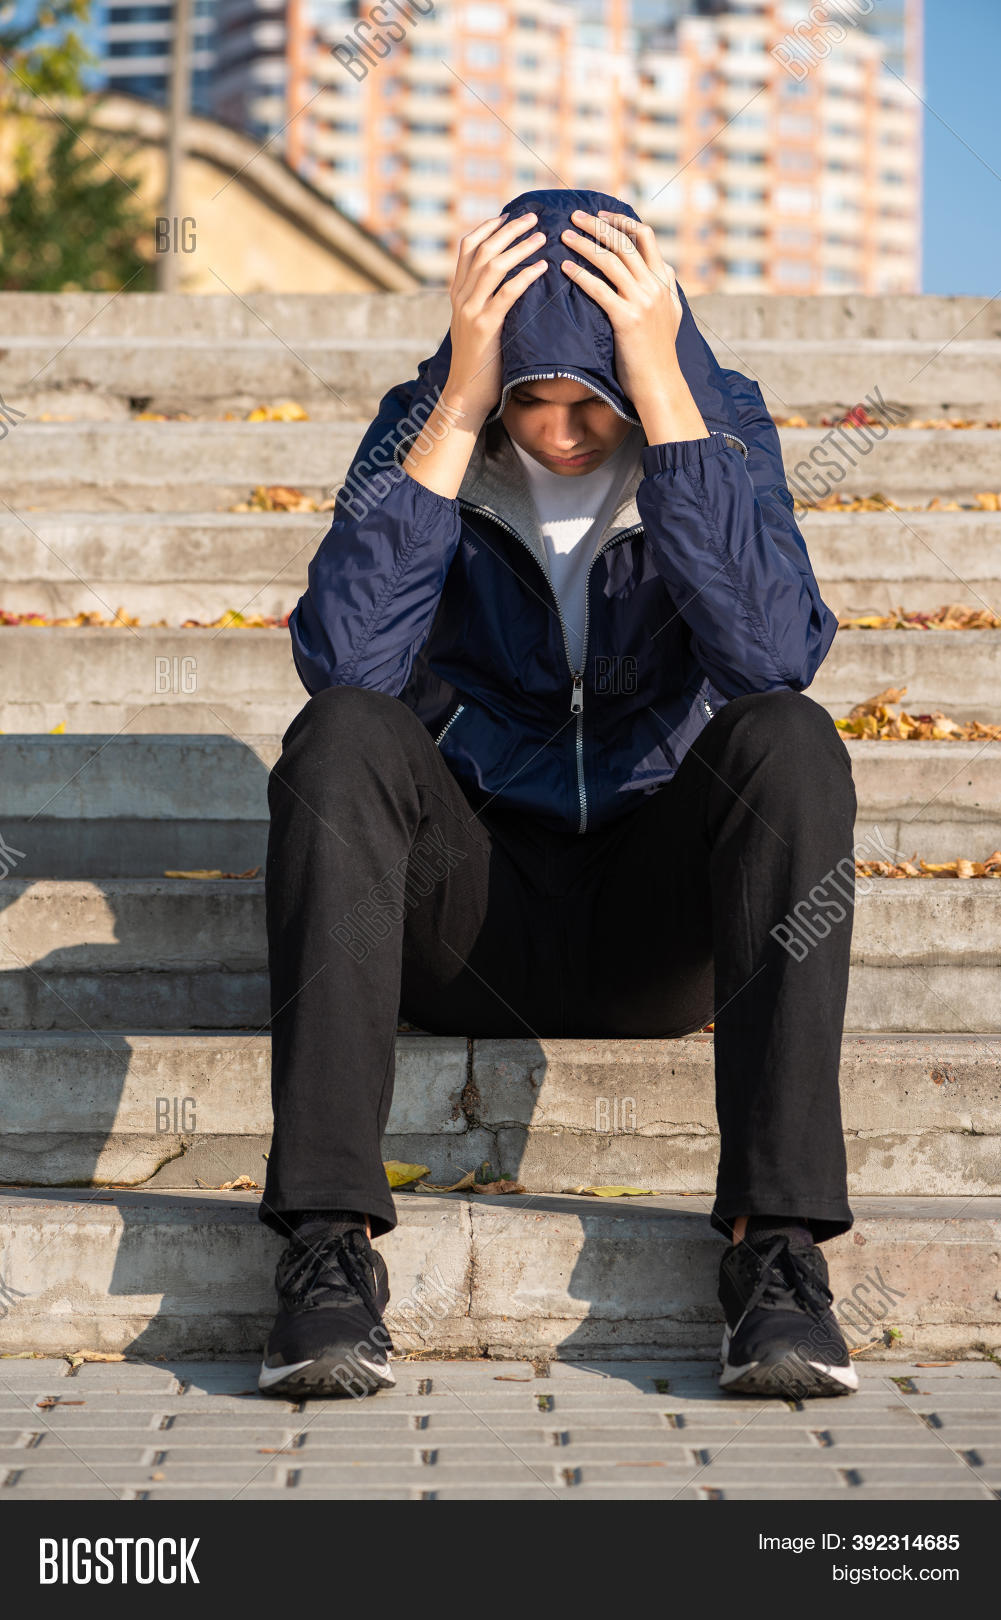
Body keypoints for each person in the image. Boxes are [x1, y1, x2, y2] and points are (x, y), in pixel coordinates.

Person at [257, 187, 859, 1402]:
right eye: (530, 399)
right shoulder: (423, 426)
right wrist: (456, 403)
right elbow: (347, 662)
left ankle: (776, 1254)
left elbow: (769, 656)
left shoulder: (716, 419)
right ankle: (326, 1249)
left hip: (650, 928)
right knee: (340, 734)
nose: (561, 431)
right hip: (464, 918)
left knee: (791, 740)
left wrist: (664, 394)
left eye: (590, 400)